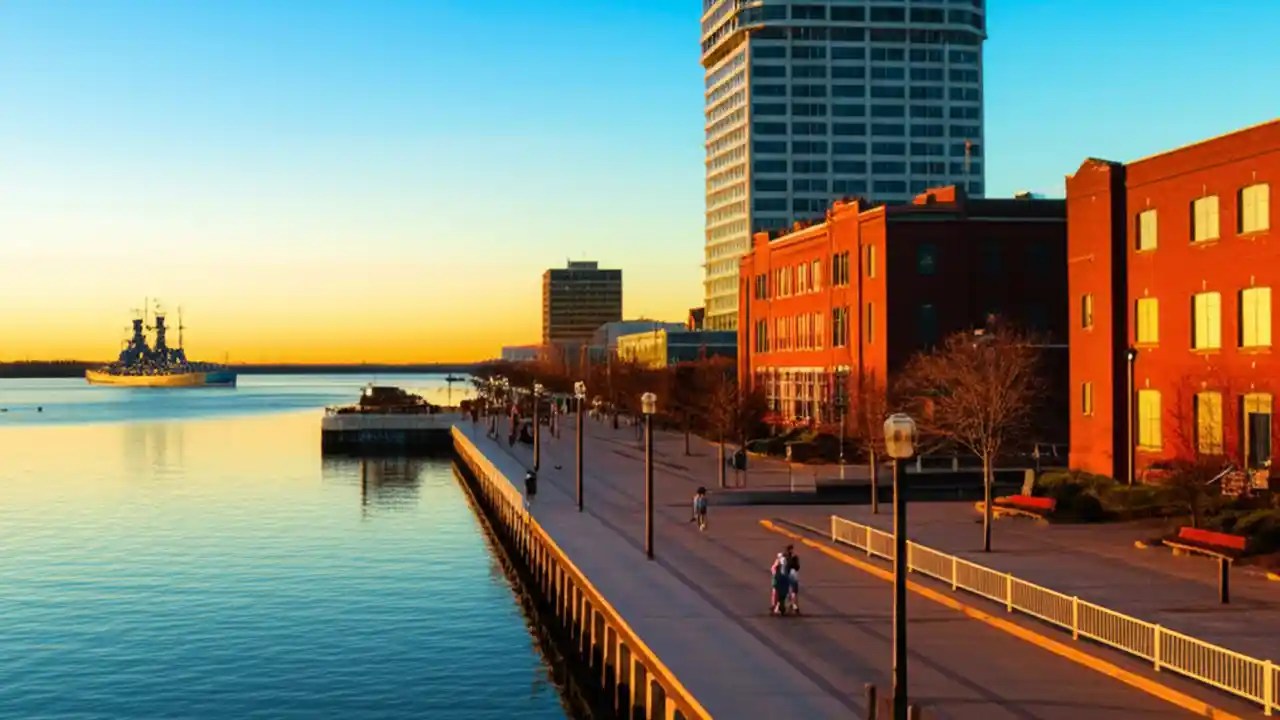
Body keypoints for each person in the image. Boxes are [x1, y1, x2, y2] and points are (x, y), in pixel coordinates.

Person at [782, 545, 801, 614]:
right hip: (793, 575)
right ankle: (794, 605)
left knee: (787, 591)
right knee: (794, 591)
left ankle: (788, 604)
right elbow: (797, 567)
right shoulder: (794, 557)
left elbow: (782, 567)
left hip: (785, 575)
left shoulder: (783, 557)